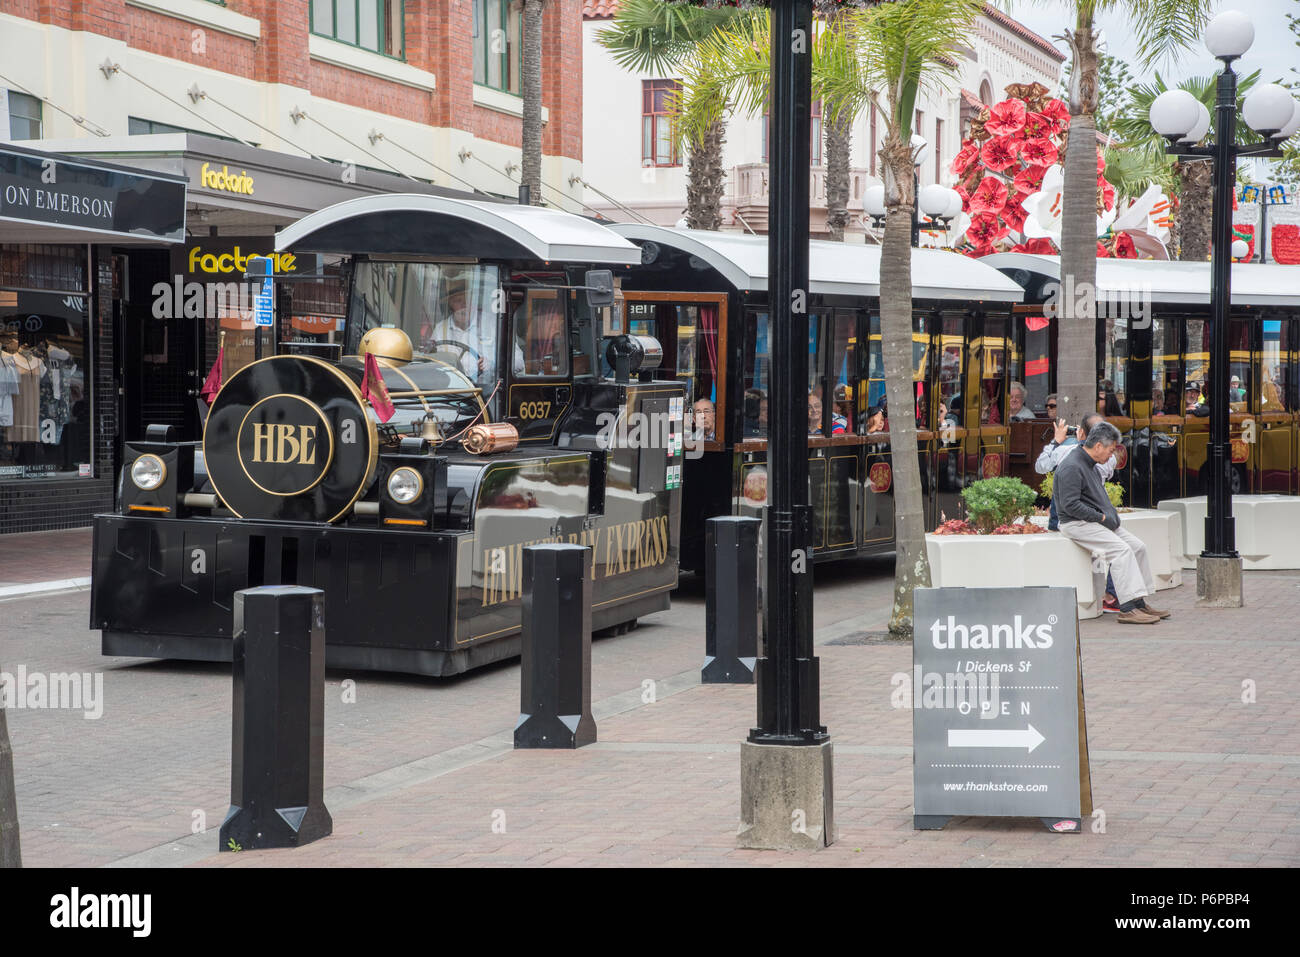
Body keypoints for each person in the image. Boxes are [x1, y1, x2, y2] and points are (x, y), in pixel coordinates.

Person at [1055, 421, 1169, 625]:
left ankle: (1138, 602)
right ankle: (1126, 608)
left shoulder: (1087, 463)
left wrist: (1103, 518)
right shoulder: (1072, 466)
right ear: (1098, 446)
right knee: (1122, 551)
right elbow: (1070, 505)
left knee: (1138, 547)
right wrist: (1101, 517)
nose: (1112, 456)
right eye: (1110, 450)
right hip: (1076, 524)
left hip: (1094, 522)